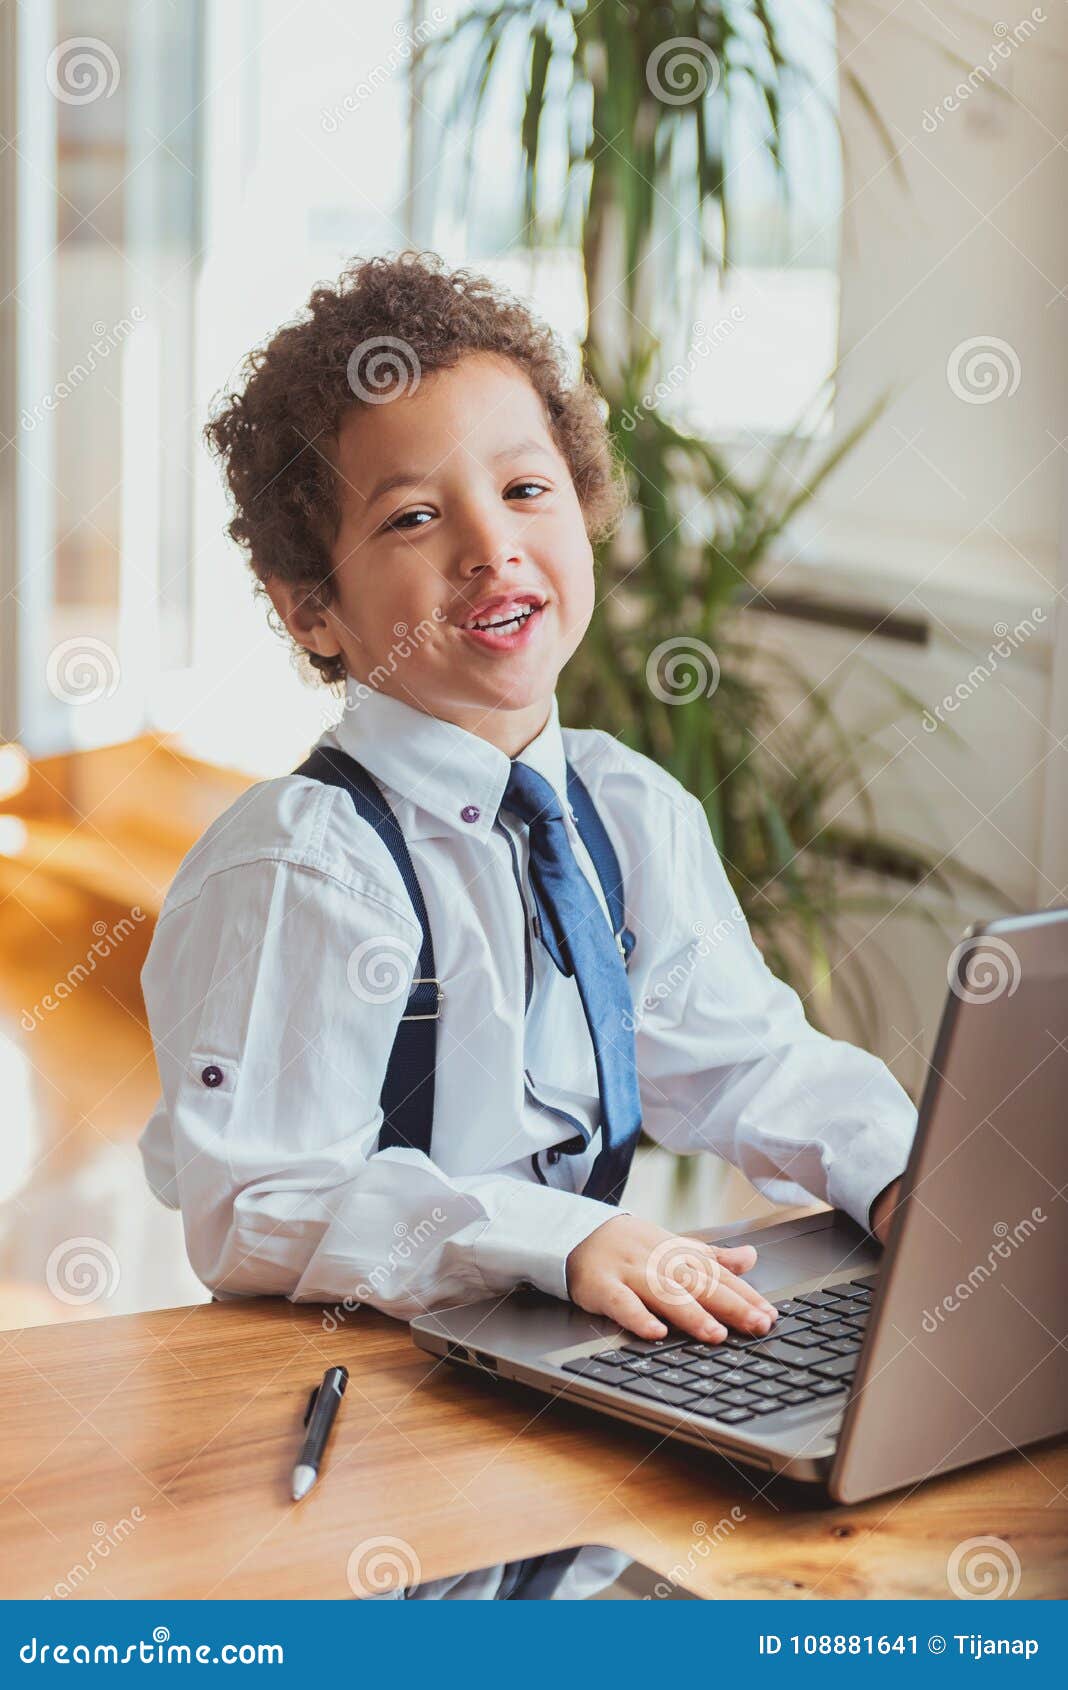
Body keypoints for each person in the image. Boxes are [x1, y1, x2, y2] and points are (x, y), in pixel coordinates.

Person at [138, 251, 913, 1346]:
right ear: (314, 607)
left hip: (563, 1359)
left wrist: (904, 1178)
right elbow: (257, 1205)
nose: (491, 546)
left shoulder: (631, 810)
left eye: (525, 489)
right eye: (413, 517)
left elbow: (749, 1061)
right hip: (356, 1383)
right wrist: (553, 1237)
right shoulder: (300, 866)